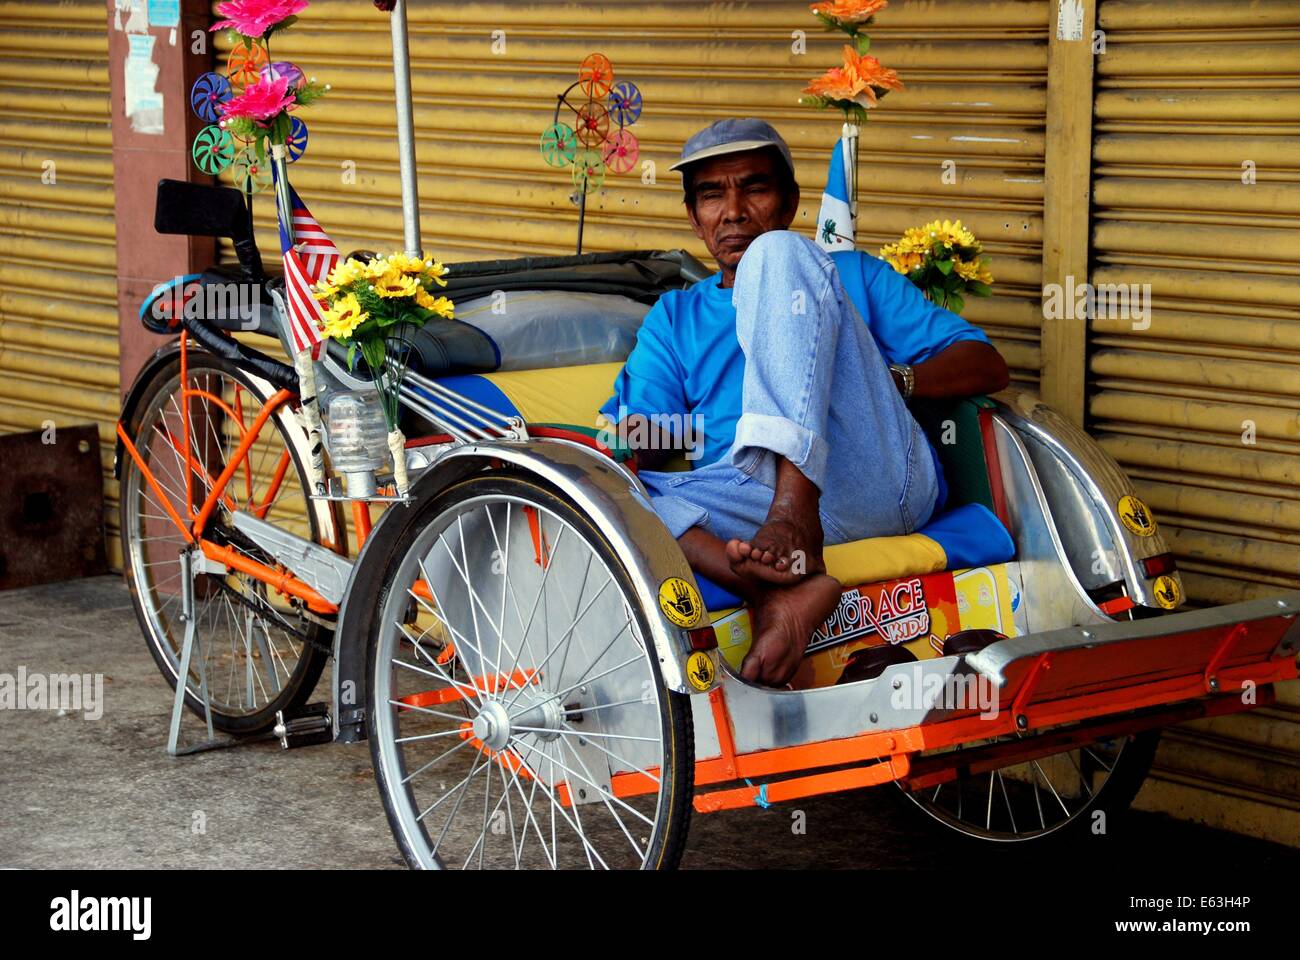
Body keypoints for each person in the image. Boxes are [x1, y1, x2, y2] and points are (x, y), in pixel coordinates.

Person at [599, 118, 1009, 687]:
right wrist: (626, 443)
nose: (733, 211)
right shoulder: (675, 317)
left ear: (791, 202)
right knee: (606, 492)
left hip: (867, 481)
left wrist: (891, 382)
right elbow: (649, 429)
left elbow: (986, 364)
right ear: (694, 216)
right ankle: (770, 588)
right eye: (712, 195)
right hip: (751, 499)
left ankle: (795, 513)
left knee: (776, 256)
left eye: (754, 188)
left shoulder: (851, 274)